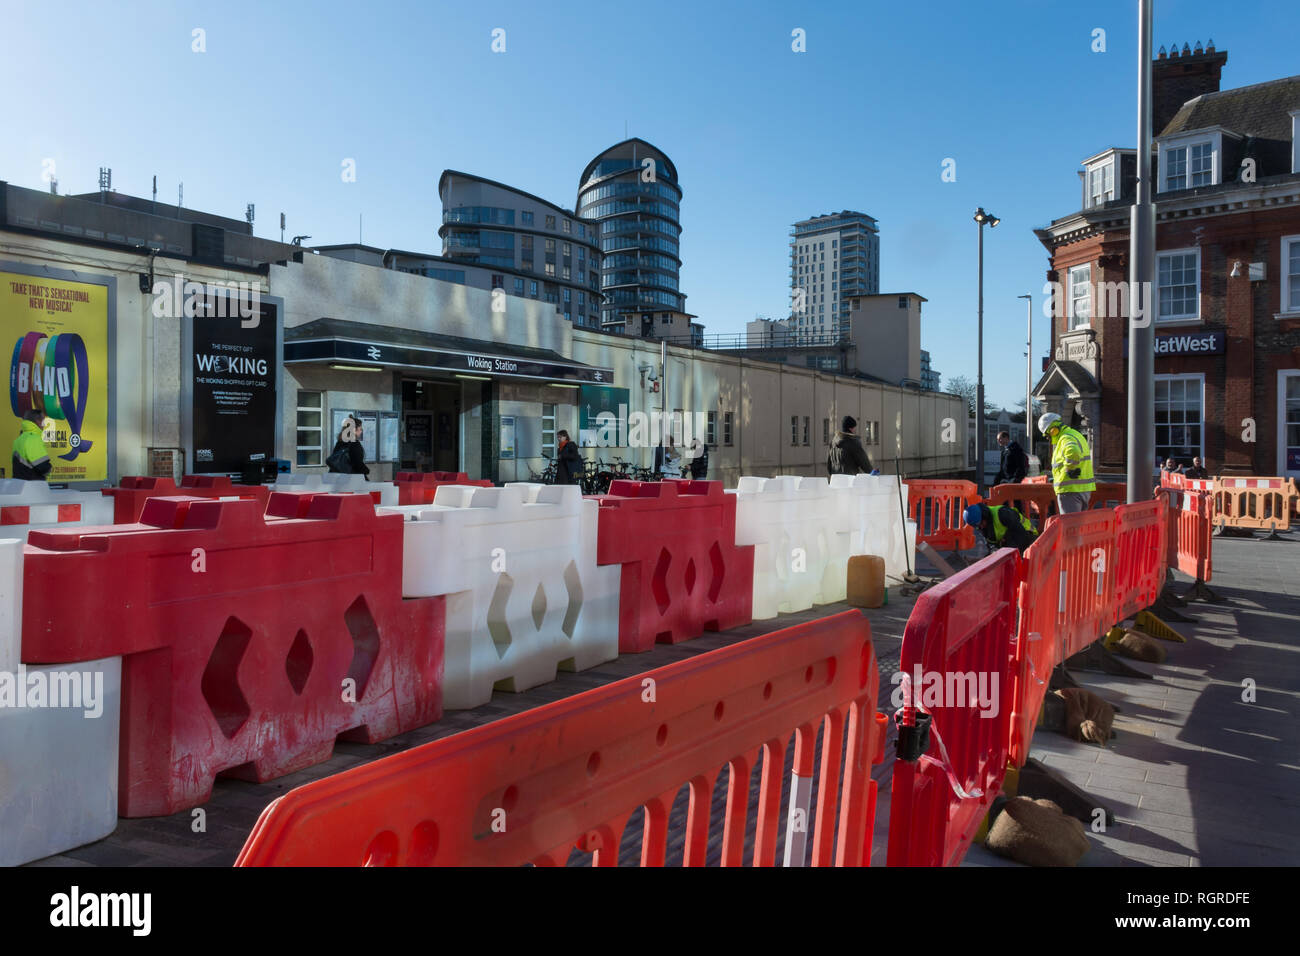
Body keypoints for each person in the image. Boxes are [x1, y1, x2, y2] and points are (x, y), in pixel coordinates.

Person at [1037, 412, 1095, 513]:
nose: (1048, 438)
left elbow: (1073, 452)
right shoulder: (1076, 434)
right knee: (1077, 525)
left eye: (1047, 434)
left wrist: (1069, 469)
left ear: (1052, 430)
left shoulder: (1065, 438)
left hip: (1070, 490)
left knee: (1070, 525)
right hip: (1083, 489)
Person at [964, 502, 1038, 554]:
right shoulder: (983, 527)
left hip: (1029, 537)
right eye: (977, 526)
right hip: (1011, 540)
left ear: (984, 515)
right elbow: (992, 545)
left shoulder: (1002, 513)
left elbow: (1021, 536)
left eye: (981, 523)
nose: (981, 527)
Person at [12, 408, 52, 481]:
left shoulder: (19, 439)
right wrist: (49, 469)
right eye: (43, 421)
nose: (44, 424)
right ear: (37, 421)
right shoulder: (33, 439)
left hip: (20, 485)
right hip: (33, 484)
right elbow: (42, 466)